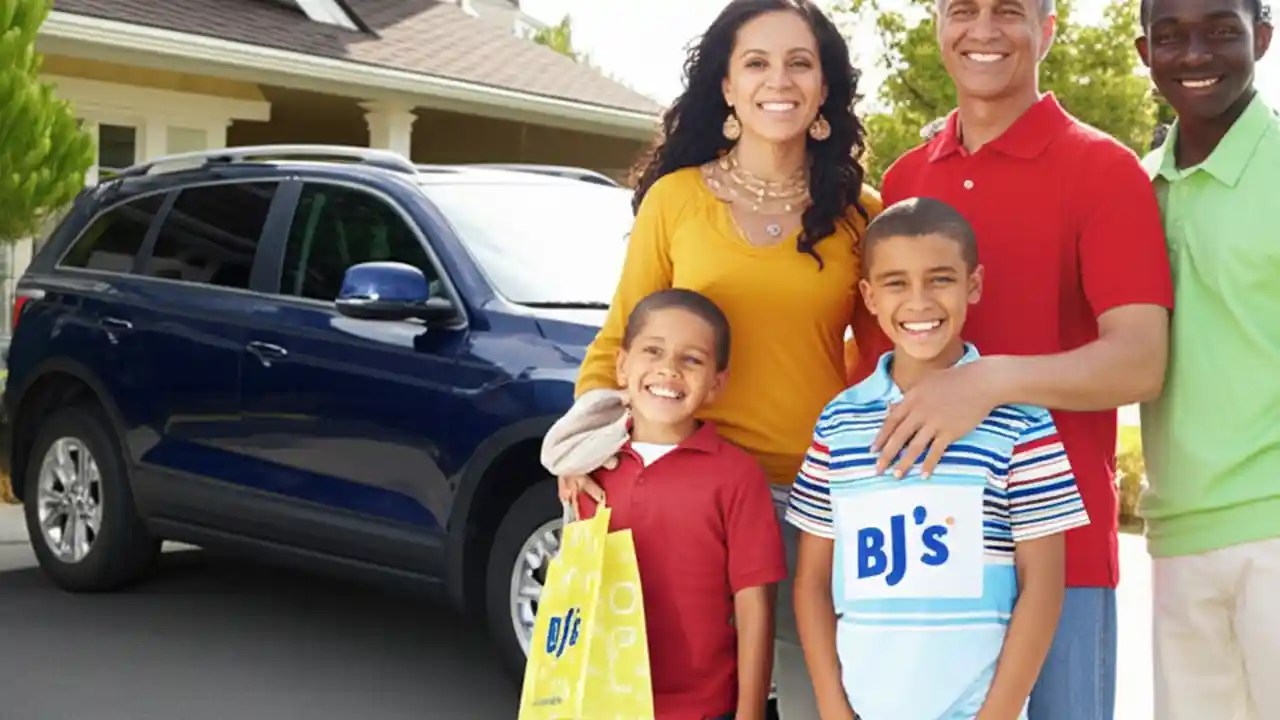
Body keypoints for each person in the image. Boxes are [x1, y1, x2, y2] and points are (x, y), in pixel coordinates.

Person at [543, 1, 883, 716]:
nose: (778, 79)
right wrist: (583, 450)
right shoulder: (675, 201)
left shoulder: (860, 215)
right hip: (682, 492)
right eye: (755, 62)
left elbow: (887, 360)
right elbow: (619, 339)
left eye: (800, 62)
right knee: (674, 693)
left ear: (825, 89)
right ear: (727, 87)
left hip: (814, 499)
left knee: (819, 696)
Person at [845, 1, 1175, 716]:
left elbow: (1140, 361)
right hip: (920, 563)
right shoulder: (903, 185)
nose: (984, 30)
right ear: (939, 27)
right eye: (963, 10)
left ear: (1047, 29)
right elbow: (875, 367)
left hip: (1062, 555)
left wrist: (990, 381)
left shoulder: (1104, 170)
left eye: (1010, 11)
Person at [789, 197, 1090, 720]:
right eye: (897, 283)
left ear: (973, 285)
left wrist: (997, 712)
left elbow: (1043, 583)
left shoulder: (1020, 420)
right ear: (869, 296)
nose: (920, 301)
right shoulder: (839, 422)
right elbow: (812, 582)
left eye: (941, 279)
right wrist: (835, 710)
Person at [1134, 1, 1279, 718]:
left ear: (1263, 38)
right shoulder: (1136, 187)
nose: (1195, 54)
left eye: (1221, 31)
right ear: (1142, 51)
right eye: (1171, 37)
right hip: (1178, 532)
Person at [573, 288, 788, 720]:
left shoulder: (736, 476)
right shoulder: (588, 466)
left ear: (717, 382)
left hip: (705, 708)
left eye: (692, 359)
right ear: (621, 365)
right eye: (653, 350)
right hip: (603, 704)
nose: (668, 369)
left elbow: (755, 608)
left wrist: (750, 714)